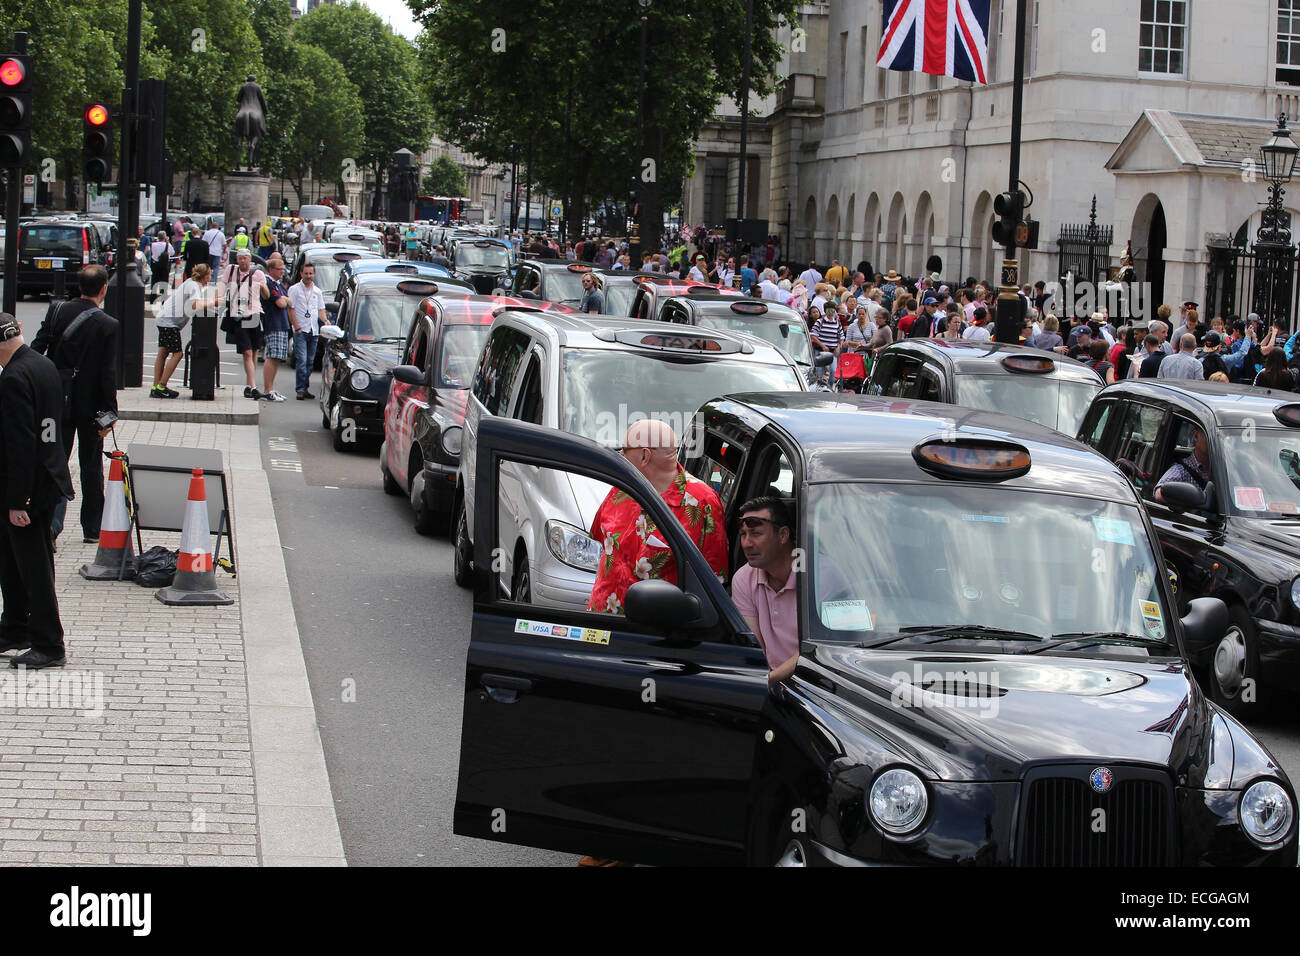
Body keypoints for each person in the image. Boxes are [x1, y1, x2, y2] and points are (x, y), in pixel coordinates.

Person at [587, 419, 728, 615]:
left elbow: (713, 582)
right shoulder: (621, 488)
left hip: (653, 633)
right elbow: (601, 538)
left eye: (625, 450)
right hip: (600, 621)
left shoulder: (702, 502)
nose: (620, 455)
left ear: (645, 455)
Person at [0, 315, 74, 670]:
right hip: (48, 476)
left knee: (34, 565)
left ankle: (48, 642)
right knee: (11, 559)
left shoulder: (12, 378)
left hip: (25, 485)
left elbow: (19, 444)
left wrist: (18, 501)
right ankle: (15, 627)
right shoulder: (42, 364)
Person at [29, 265, 118, 544]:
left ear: (79, 287)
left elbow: (36, 349)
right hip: (89, 404)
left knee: (56, 461)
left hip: (56, 400)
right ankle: (92, 529)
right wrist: (109, 413)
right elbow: (107, 374)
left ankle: (51, 526)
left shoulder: (57, 312)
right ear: (103, 289)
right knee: (91, 465)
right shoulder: (108, 325)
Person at [731, 497, 800, 687]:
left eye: (756, 533)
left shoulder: (821, 575)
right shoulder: (744, 578)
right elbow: (754, 649)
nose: (746, 543)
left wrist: (767, 681)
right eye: (743, 534)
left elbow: (822, 649)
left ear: (783, 535)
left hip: (815, 686)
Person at [152, 263, 217, 398]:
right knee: (178, 354)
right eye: (210, 274)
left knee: (163, 353)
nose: (211, 277)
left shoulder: (190, 283)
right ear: (204, 276)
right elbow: (195, 305)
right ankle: (161, 386)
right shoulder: (194, 285)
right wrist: (213, 303)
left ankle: (155, 386)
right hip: (169, 322)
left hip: (164, 319)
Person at [222, 249, 269, 400]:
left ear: (250, 259)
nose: (242, 261)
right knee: (247, 352)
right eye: (240, 259)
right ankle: (253, 387)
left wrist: (261, 287)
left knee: (254, 351)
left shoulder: (258, 274)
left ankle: (250, 385)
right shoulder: (230, 271)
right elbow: (222, 288)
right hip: (238, 315)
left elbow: (266, 295)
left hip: (254, 313)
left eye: (245, 259)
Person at [289, 260, 327, 400]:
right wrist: (296, 327)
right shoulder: (294, 289)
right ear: (301, 274)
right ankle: (300, 389)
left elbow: (321, 310)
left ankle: (305, 388)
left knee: (310, 362)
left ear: (314, 274)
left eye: (311, 273)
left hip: (314, 331)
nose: (308, 276)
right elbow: (290, 309)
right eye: (306, 273)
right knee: (302, 360)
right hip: (301, 330)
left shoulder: (317, 291)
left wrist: (325, 320)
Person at [260, 256, 293, 401]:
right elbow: (280, 303)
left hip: (282, 324)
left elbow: (290, 301)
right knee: (272, 356)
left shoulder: (278, 284)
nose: (282, 272)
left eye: (283, 269)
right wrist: (284, 300)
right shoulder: (269, 283)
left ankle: (271, 388)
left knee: (277, 358)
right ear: (271, 270)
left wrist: (285, 300)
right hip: (273, 324)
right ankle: (267, 390)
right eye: (279, 269)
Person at [1155, 427, 1211, 505]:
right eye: (1211, 436)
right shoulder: (1181, 470)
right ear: (1196, 436)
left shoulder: (1227, 470)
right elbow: (1159, 493)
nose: (1217, 443)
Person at [148, 230, 171, 303]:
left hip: (155, 264)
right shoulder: (168, 245)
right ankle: (163, 299)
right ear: (165, 237)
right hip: (164, 265)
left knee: (154, 281)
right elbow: (172, 252)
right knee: (164, 282)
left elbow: (151, 253)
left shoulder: (153, 244)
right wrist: (168, 242)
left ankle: (153, 298)